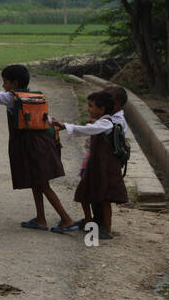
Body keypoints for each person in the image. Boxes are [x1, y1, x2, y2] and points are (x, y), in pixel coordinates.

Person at [0, 64, 76, 232]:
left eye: (5, 82)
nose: (3, 86)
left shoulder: (13, 98)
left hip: (30, 145)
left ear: (14, 83)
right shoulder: (35, 96)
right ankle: (40, 219)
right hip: (42, 143)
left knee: (43, 184)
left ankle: (66, 219)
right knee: (36, 182)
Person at [53, 91, 128, 239]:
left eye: (91, 106)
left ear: (101, 109)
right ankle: (91, 221)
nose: (88, 109)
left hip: (104, 167)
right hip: (95, 165)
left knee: (104, 197)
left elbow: (89, 130)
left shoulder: (106, 123)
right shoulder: (100, 122)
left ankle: (107, 229)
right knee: (88, 193)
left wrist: (66, 126)